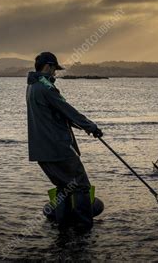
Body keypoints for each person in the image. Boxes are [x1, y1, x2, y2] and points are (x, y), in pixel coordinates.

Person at [26, 52, 103, 230]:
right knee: (82, 186)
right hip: (58, 148)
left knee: (63, 188)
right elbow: (68, 110)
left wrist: (82, 126)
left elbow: (56, 114)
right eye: (54, 69)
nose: (55, 74)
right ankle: (84, 232)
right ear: (48, 66)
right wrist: (91, 127)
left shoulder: (31, 87)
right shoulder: (46, 87)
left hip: (41, 151)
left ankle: (64, 229)